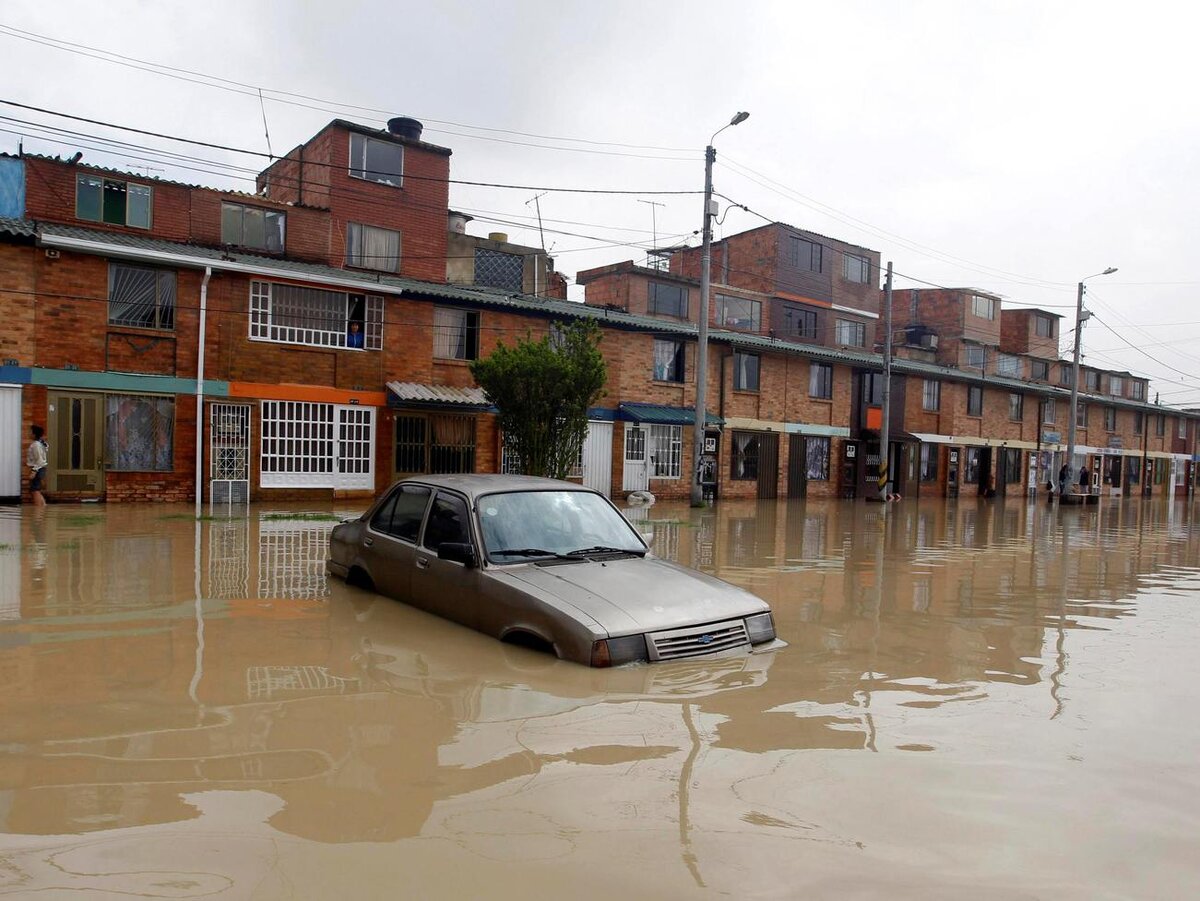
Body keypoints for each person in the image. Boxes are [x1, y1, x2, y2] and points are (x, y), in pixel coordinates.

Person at [26, 424, 48, 506]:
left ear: (34, 434)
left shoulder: (36, 445)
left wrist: (34, 471)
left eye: (30, 432)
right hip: (40, 468)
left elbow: (39, 460)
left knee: (34, 490)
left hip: (38, 468)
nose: (28, 433)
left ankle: (38, 511)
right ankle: (43, 508)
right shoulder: (40, 443)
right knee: (36, 490)